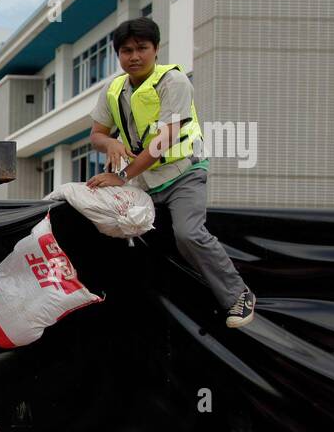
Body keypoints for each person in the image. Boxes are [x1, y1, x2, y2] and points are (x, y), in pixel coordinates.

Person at [86, 17, 257, 328]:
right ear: (118, 54)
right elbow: (96, 134)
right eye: (126, 50)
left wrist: (122, 177)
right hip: (144, 180)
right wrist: (109, 142)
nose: (134, 56)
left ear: (156, 49)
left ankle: (237, 295)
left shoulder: (174, 82)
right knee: (105, 222)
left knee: (188, 233)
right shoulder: (113, 90)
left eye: (142, 48)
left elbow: (163, 142)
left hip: (183, 175)